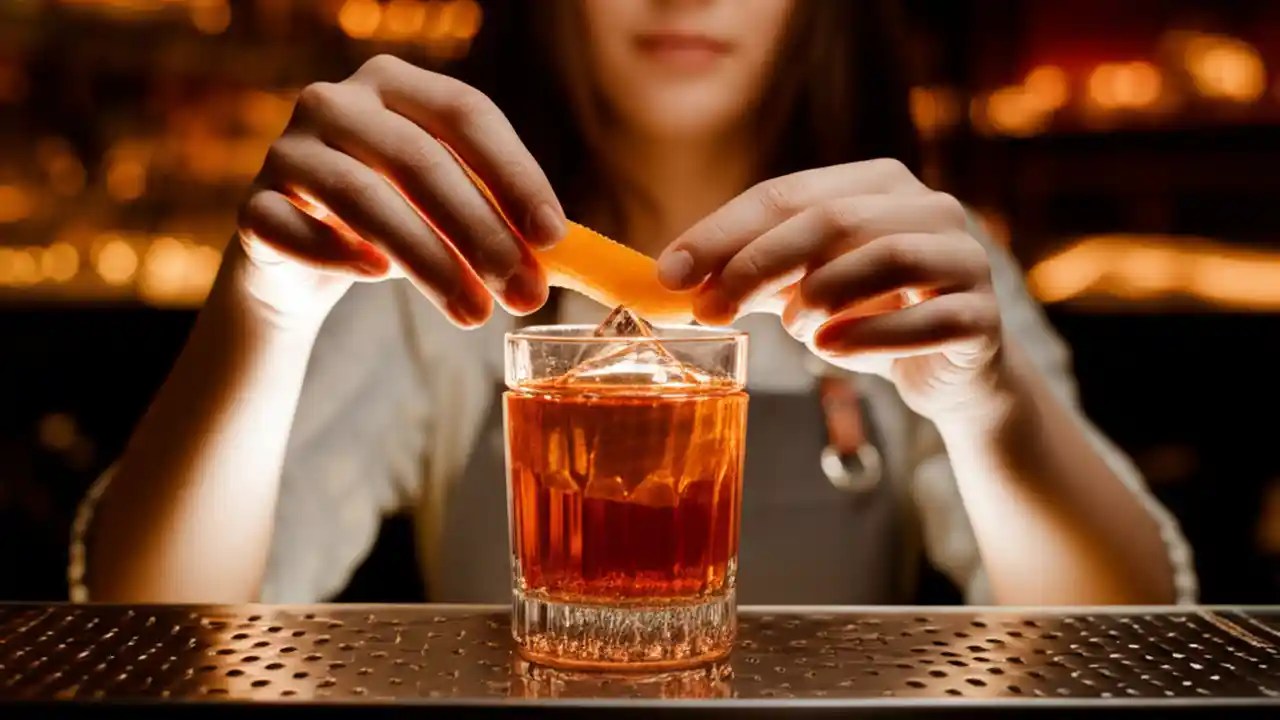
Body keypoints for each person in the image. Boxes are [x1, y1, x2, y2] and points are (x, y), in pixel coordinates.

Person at [72, 0, 1195, 606]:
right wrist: (263, 310)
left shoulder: (922, 267)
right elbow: (165, 630)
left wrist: (989, 409)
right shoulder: (420, 270)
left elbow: (1122, 632)